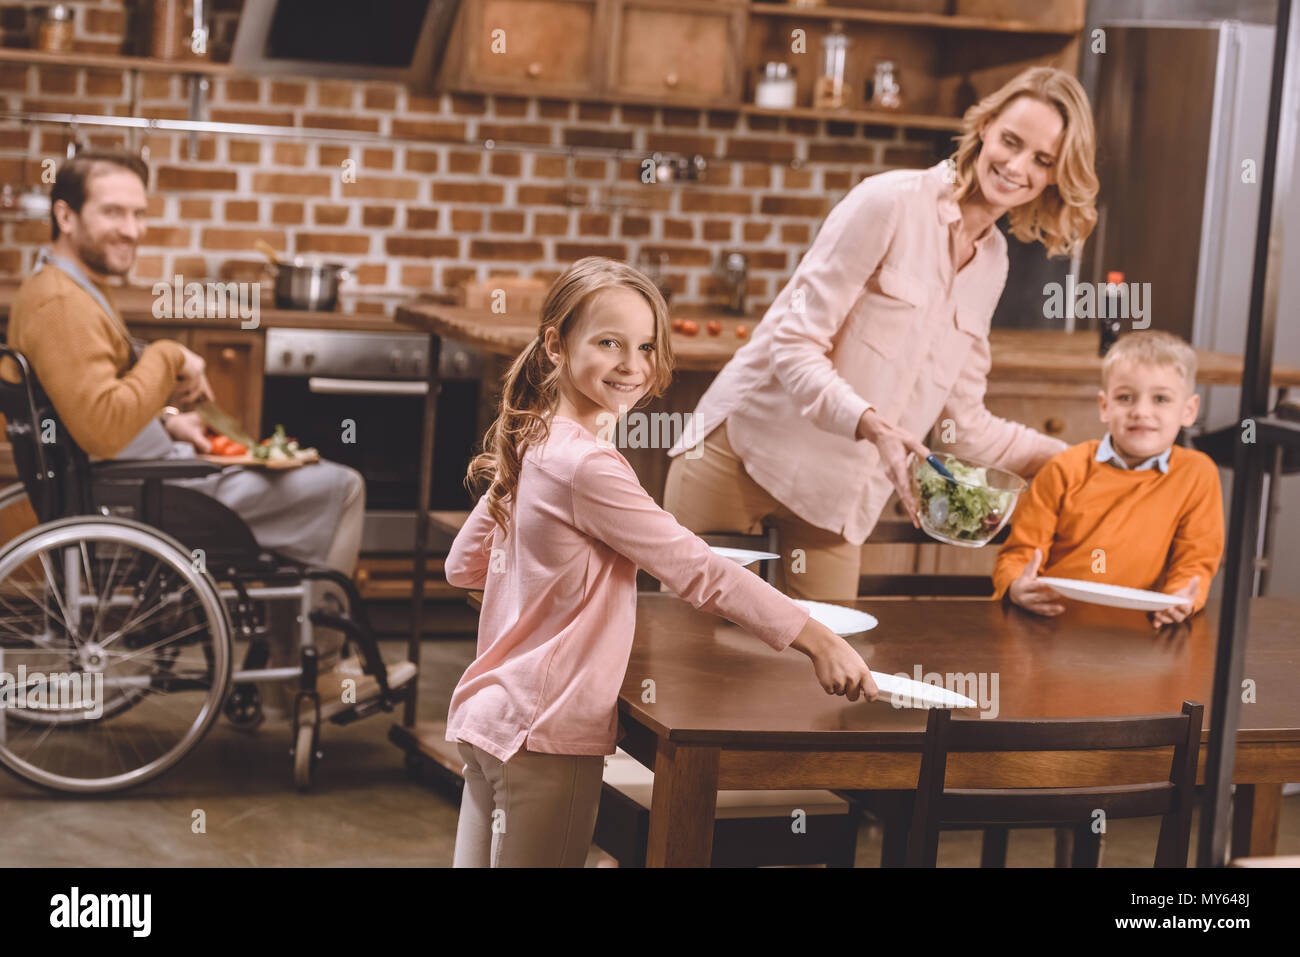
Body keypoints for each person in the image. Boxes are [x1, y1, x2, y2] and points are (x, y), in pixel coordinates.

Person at [442, 257, 878, 868]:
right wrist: (816, 638)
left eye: (646, 346)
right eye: (609, 342)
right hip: (545, 732)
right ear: (555, 345)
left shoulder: (533, 437)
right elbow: (696, 568)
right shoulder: (589, 466)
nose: (632, 365)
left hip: (489, 718)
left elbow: (462, 567)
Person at [663, 66, 1100, 601]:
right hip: (744, 454)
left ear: (1056, 174)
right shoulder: (889, 202)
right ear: (984, 127)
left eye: (1042, 159)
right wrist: (871, 425)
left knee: (827, 674)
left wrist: (1077, 459)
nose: (1016, 166)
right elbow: (794, 344)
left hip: (835, 496)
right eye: (1010, 141)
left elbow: (966, 425)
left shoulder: (993, 263)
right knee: (696, 658)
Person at [0, 149, 379, 715]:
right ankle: (314, 673)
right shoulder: (60, 302)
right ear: (66, 216)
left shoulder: (64, 287)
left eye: (139, 213)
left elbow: (95, 396)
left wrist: (169, 417)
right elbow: (103, 427)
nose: (132, 229)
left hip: (150, 475)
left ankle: (291, 661)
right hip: (155, 493)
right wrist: (170, 354)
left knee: (304, 485)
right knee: (340, 484)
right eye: (113, 213)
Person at [993, 331, 1225, 627]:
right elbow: (1019, 553)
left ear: (1189, 410)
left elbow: (1195, 563)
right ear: (1105, 406)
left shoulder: (1197, 475)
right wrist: (1016, 586)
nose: (1141, 411)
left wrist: (1183, 600)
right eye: (1125, 397)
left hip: (1140, 632)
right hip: (1049, 622)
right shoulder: (1065, 468)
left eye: (1161, 399)